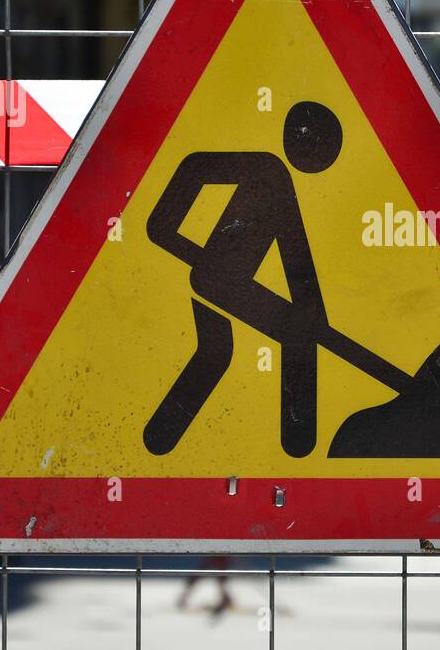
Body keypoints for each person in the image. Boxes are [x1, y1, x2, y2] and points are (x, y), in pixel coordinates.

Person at [143, 101, 342, 458]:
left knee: (220, 352)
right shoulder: (266, 169)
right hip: (217, 280)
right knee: (225, 350)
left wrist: (314, 314)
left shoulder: (275, 174)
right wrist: (189, 251)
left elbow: (295, 254)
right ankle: (298, 447)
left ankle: (298, 449)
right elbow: (169, 207)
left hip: (223, 281)